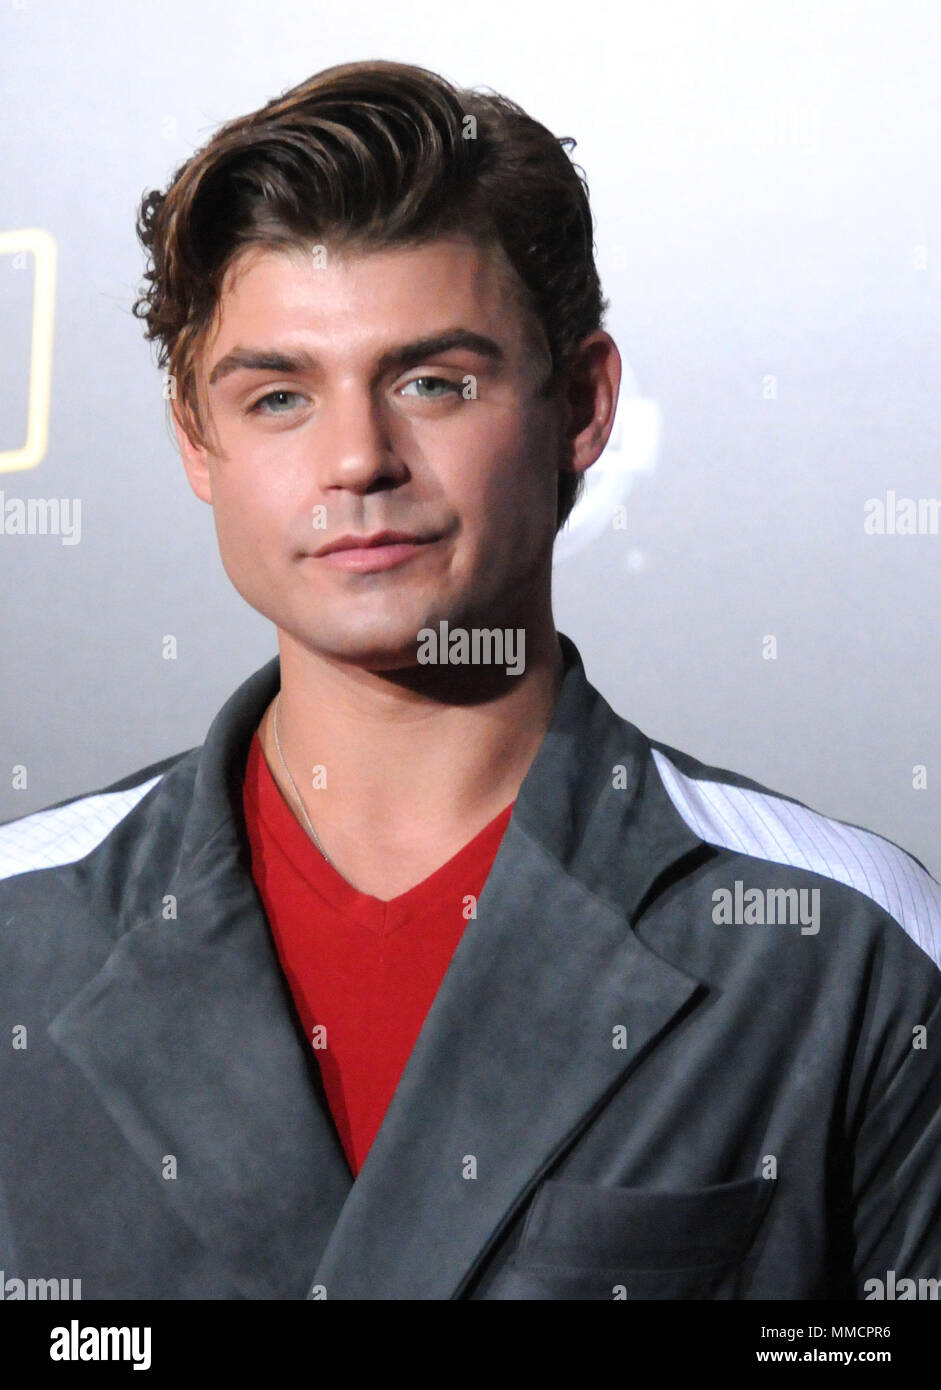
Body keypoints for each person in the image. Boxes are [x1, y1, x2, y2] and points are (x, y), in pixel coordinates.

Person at [0, 58, 938, 1302]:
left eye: (434, 382)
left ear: (583, 405)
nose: (356, 460)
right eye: (278, 396)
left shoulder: (841, 945)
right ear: (196, 441)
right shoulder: (23, 934)